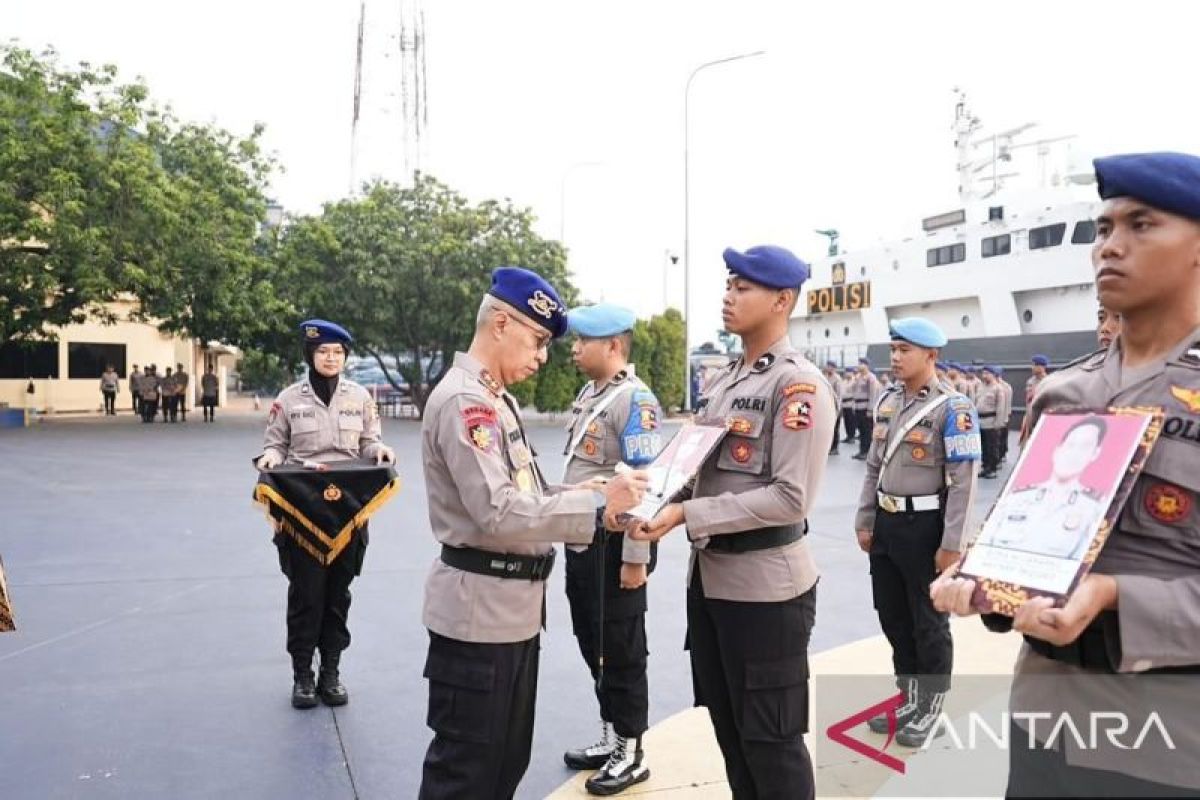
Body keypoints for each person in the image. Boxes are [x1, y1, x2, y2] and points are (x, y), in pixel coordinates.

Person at [932, 151, 1200, 798]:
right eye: (1104, 228)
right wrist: (983, 581)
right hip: (1043, 722)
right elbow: (1025, 534)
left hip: (1167, 749)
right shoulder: (1063, 393)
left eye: (1141, 225)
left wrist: (1114, 598)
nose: (1110, 245)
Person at [417, 268, 648, 800]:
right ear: (501, 324)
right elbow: (497, 510)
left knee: (503, 765)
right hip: (479, 617)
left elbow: (536, 491)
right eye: (538, 340)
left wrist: (603, 505)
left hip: (511, 613)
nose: (543, 356)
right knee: (467, 774)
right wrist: (595, 504)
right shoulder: (465, 403)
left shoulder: (496, 400)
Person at [630, 245, 836, 800]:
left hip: (767, 592)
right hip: (713, 581)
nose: (728, 296)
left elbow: (790, 498)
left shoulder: (798, 387)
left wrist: (683, 514)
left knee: (772, 744)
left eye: (743, 288)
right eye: (728, 285)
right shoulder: (726, 381)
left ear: (782, 301)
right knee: (730, 731)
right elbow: (693, 465)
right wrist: (648, 494)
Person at [853, 317, 981, 747]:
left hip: (926, 526)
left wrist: (952, 545)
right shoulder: (888, 401)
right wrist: (865, 517)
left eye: (904, 350)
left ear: (931, 355)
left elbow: (963, 481)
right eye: (893, 349)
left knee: (928, 622)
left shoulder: (953, 408)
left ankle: (931, 708)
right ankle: (908, 698)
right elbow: (875, 466)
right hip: (888, 524)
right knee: (893, 615)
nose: (895, 357)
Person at [256, 319, 396, 710]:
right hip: (303, 508)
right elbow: (276, 444)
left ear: (345, 357)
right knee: (306, 595)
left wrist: (378, 450)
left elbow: (369, 440)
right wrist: (271, 457)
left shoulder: (360, 397)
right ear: (310, 356)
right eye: (323, 352)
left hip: (347, 508)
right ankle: (303, 673)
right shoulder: (289, 399)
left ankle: (331, 672)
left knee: (338, 595)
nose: (331, 358)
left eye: (337, 352)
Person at [560, 302, 663, 795]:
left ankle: (631, 749)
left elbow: (644, 488)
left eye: (584, 341)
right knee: (592, 642)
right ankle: (611, 734)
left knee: (622, 650)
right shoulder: (591, 392)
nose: (575, 349)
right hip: (584, 538)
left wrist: (635, 559)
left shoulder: (634, 401)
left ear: (614, 346)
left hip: (617, 545)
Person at [976, 416, 1107, 560]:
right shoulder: (1015, 498)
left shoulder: (1094, 510)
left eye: (1084, 447)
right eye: (1070, 444)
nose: (1073, 453)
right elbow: (982, 548)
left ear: (1094, 454)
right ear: (1058, 449)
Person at [976, 366, 1005, 478]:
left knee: (991, 447)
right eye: (983, 373)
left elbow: (1000, 407)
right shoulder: (980, 387)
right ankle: (985, 467)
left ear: (993, 375)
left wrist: (998, 423)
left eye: (987, 373)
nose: (984, 375)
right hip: (980, 421)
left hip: (991, 421)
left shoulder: (998, 388)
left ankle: (992, 469)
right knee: (983, 447)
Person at [851, 358, 881, 460]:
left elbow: (872, 394)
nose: (858, 366)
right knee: (861, 431)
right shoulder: (858, 377)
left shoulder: (871, 378)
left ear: (866, 365)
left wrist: (870, 409)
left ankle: (867, 452)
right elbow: (852, 390)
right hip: (858, 407)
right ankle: (862, 450)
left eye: (861, 364)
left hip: (865, 408)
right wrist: (855, 378)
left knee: (867, 431)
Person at [823, 360, 843, 455]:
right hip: (828, 407)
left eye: (829, 366)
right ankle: (829, 446)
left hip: (835, 407)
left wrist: (837, 409)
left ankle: (835, 448)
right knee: (829, 428)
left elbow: (839, 395)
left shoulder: (837, 379)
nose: (827, 367)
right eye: (827, 366)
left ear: (833, 368)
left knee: (835, 428)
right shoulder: (826, 377)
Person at [997, 366, 1014, 464]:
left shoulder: (1006, 387)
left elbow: (1007, 402)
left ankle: (1003, 453)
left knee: (1003, 436)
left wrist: (1006, 416)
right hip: (996, 415)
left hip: (1004, 414)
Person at [840, 368, 857, 444]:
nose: (847, 374)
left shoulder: (855, 381)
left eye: (848, 372)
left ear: (852, 373)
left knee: (851, 421)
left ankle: (852, 436)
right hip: (844, 404)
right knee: (846, 421)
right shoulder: (843, 382)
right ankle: (848, 436)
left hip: (851, 403)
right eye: (846, 372)